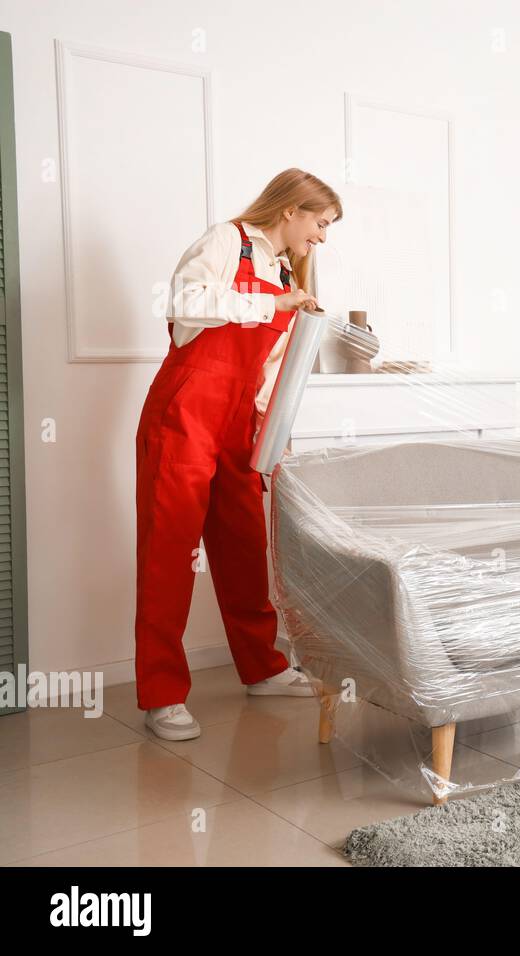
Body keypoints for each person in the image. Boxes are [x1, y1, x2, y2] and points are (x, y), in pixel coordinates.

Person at [134, 169, 342, 741]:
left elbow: (269, 370)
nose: (322, 237)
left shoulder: (282, 273)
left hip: (238, 425)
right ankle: (163, 694)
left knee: (245, 544)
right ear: (291, 210)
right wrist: (273, 302)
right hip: (184, 414)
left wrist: (275, 434)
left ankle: (263, 667)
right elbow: (181, 301)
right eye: (320, 223)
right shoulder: (227, 241)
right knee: (170, 549)